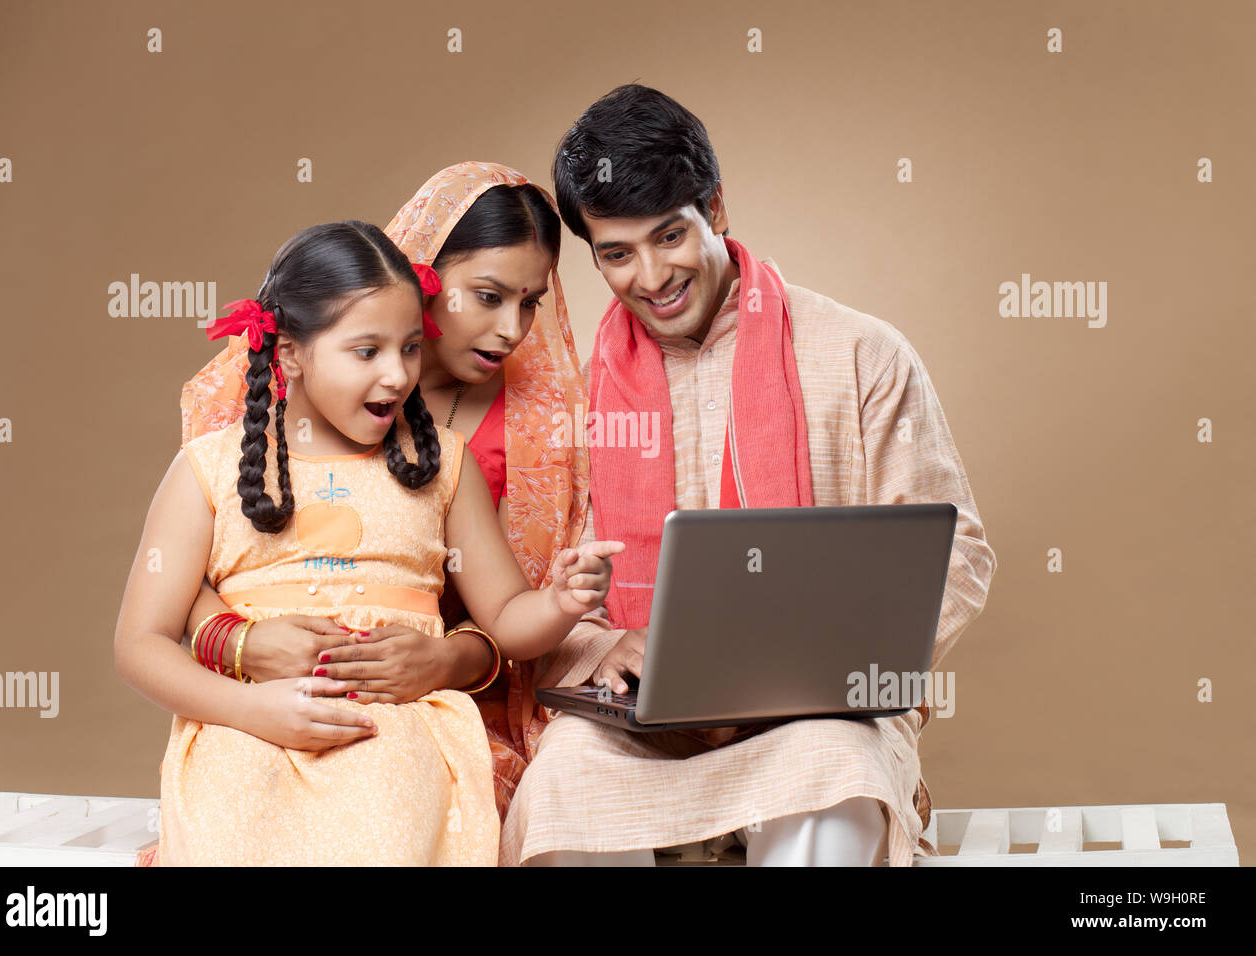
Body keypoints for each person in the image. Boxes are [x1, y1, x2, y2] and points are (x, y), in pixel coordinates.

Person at [501, 84, 998, 867]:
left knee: (837, 778)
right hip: (635, 723)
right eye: (617, 254)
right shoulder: (571, 389)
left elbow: (957, 555)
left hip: (817, 715)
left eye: (670, 236)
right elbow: (533, 578)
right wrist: (604, 650)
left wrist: (827, 662)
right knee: (563, 788)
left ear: (717, 209)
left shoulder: (859, 355)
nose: (651, 276)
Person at [113, 219, 622, 865]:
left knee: (383, 827)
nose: (397, 376)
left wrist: (561, 602)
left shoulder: (444, 467)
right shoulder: (205, 469)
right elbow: (140, 643)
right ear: (291, 353)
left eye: (410, 348)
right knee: (233, 820)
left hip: (391, 723)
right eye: (367, 351)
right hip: (244, 721)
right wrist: (249, 709)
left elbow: (507, 621)